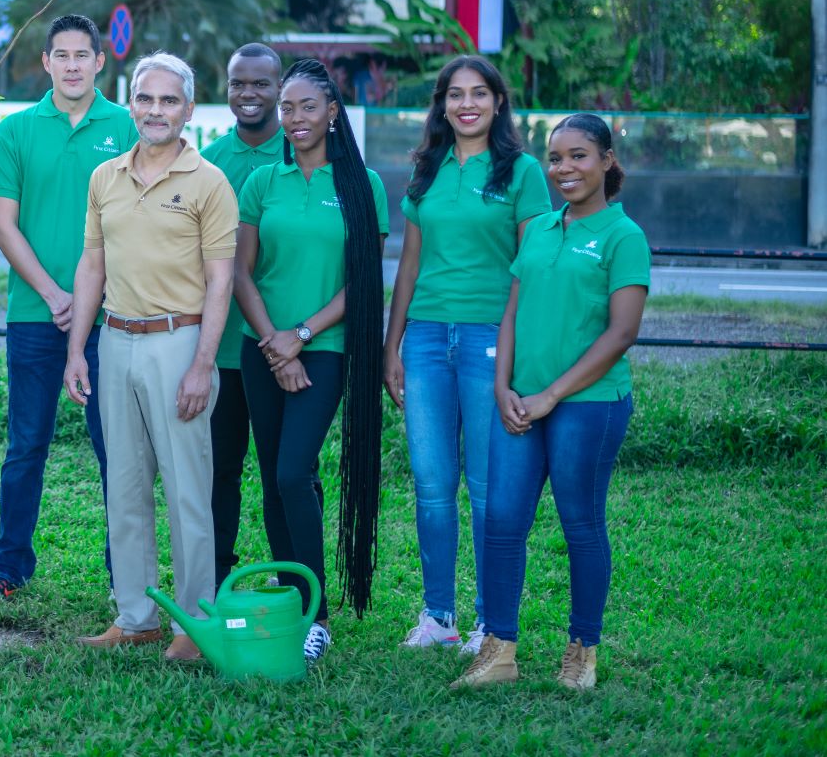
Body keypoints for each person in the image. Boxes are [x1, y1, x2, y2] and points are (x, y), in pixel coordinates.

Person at [455, 115, 649, 692]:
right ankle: (500, 652)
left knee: (580, 524)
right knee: (501, 522)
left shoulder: (623, 236)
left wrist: (550, 396)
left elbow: (621, 334)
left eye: (579, 156)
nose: (565, 168)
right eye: (556, 158)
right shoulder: (539, 228)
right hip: (519, 401)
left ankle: (581, 651)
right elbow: (512, 310)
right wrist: (501, 387)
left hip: (588, 405)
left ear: (607, 161)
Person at [64, 53, 237, 662]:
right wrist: (76, 352)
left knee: (189, 490)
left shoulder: (209, 181)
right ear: (130, 101)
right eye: (145, 98)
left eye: (169, 101)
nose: (155, 110)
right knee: (126, 485)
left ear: (188, 109)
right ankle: (135, 615)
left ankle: (194, 624)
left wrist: (202, 364)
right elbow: (92, 266)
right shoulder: (105, 176)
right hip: (115, 340)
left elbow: (222, 282)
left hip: (178, 342)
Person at [385, 56, 550, 654]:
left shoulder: (522, 171)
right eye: (455, 94)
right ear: (442, 104)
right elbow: (409, 264)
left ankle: (488, 621)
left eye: (479, 93)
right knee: (432, 486)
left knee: (486, 487)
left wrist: (510, 348)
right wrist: (393, 344)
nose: (467, 104)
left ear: (498, 102)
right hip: (426, 337)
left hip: (488, 336)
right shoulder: (426, 170)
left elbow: (529, 269)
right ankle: (438, 617)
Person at [230, 59, 388, 666]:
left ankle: (317, 615)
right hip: (261, 347)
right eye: (288, 108)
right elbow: (242, 271)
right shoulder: (262, 183)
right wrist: (273, 342)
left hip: (323, 350)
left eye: (307, 107)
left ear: (332, 113)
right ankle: (296, 603)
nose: (295, 119)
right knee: (273, 478)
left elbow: (363, 280)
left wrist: (300, 336)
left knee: (297, 472)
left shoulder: (361, 185)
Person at [0, 14, 137, 601]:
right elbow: (2, 223)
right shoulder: (16, 131)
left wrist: (89, 301)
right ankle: (10, 567)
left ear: (101, 62)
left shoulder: (127, 126)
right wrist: (52, 292)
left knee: (116, 449)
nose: (72, 65)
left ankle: (127, 575)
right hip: (34, 316)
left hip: (115, 317)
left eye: (82, 55)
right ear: (44, 63)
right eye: (60, 55)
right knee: (25, 447)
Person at [200, 43, 286, 587]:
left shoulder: (301, 154)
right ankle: (210, 586)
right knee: (218, 474)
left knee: (288, 476)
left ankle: (299, 590)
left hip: (283, 349)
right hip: (219, 345)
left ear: (280, 88)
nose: (248, 94)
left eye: (260, 83)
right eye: (237, 83)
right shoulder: (207, 160)